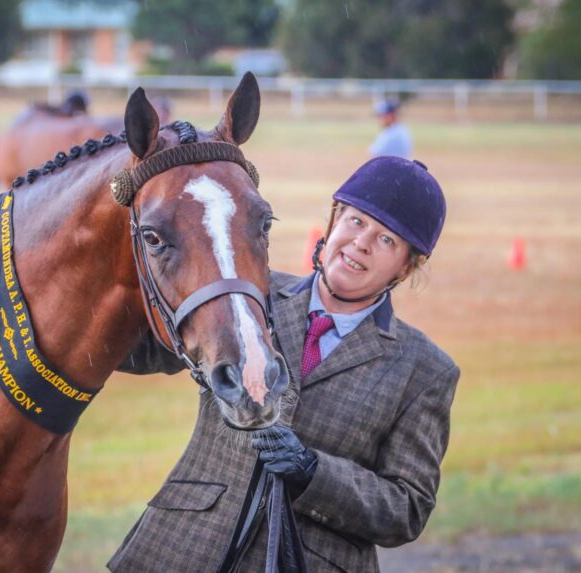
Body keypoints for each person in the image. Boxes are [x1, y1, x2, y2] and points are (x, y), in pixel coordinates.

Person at [107, 156, 460, 573]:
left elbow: (406, 509)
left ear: (406, 266)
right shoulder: (248, 293)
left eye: (387, 240)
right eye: (357, 221)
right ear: (333, 221)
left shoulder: (426, 370)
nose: (361, 243)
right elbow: (140, 349)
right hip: (183, 548)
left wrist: (314, 473)